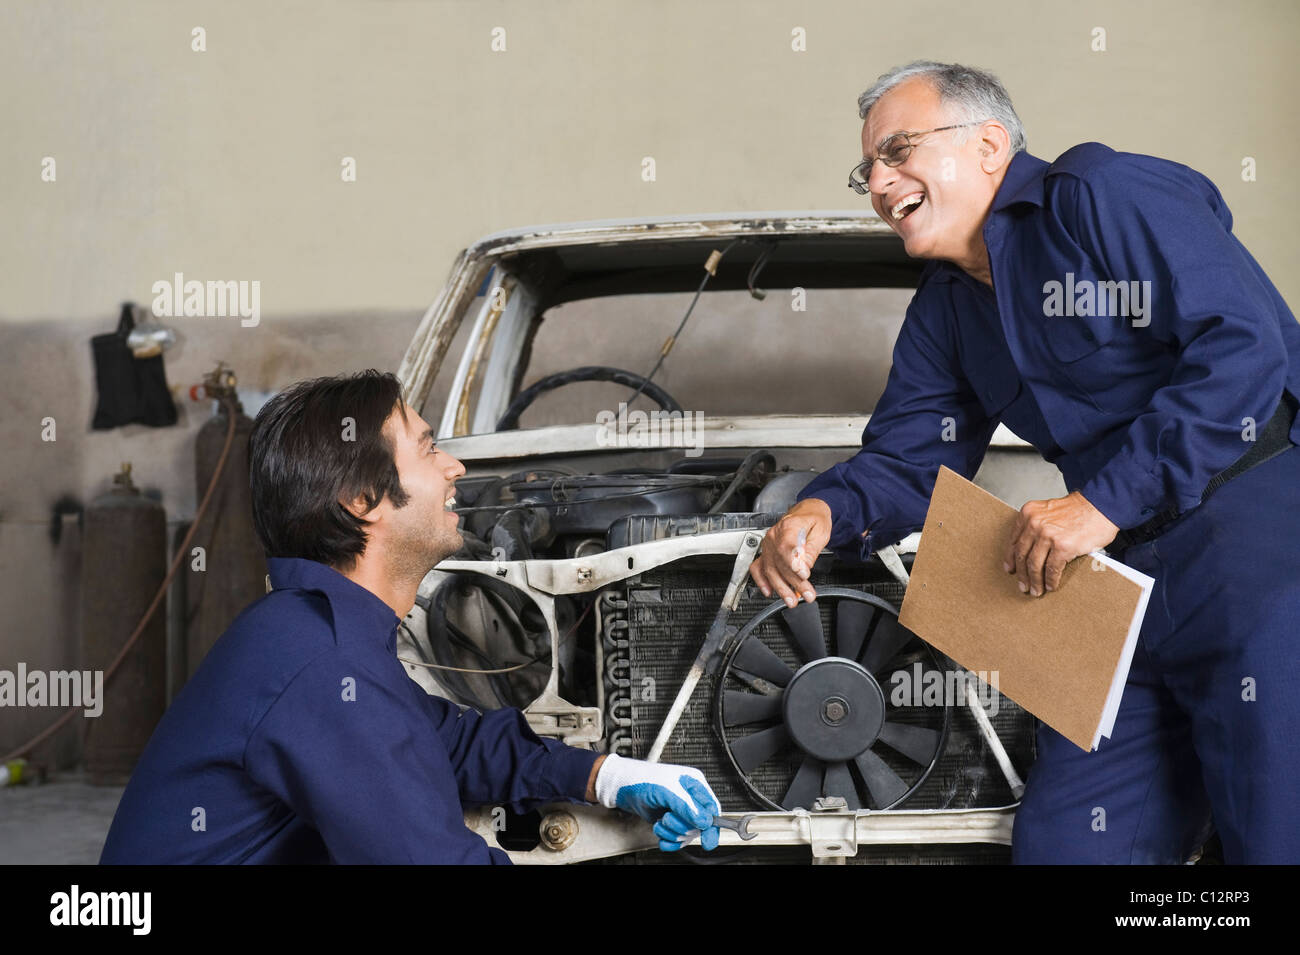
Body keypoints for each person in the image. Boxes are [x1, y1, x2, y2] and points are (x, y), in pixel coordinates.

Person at [750, 61, 1300, 864]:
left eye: (897, 150)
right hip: (1116, 587)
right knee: (1068, 845)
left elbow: (1241, 345)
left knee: (1275, 832)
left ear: (989, 143)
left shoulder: (1099, 194)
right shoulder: (945, 307)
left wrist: (1103, 501)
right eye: (866, 166)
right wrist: (823, 510)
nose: (877, 180)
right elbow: (908, 458)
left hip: (1256, 545)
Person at [101, 370, 721, 863]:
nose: (456, 467)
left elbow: (444, 741)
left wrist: (604, 775)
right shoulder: (322, 667)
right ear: (363, 501)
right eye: (428, 449)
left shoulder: (311, 634)